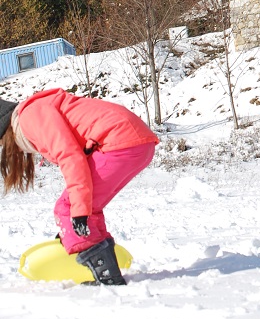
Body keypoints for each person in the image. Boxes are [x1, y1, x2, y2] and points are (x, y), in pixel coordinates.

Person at [0, 88, 158, 284]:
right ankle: (104, 268)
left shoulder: (31, 117)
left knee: (67, 208)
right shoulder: (34, 113)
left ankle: (107, 278)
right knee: (87, 209)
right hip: (134, 140)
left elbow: (71, 157)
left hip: (120, 141)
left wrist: (76, 213)